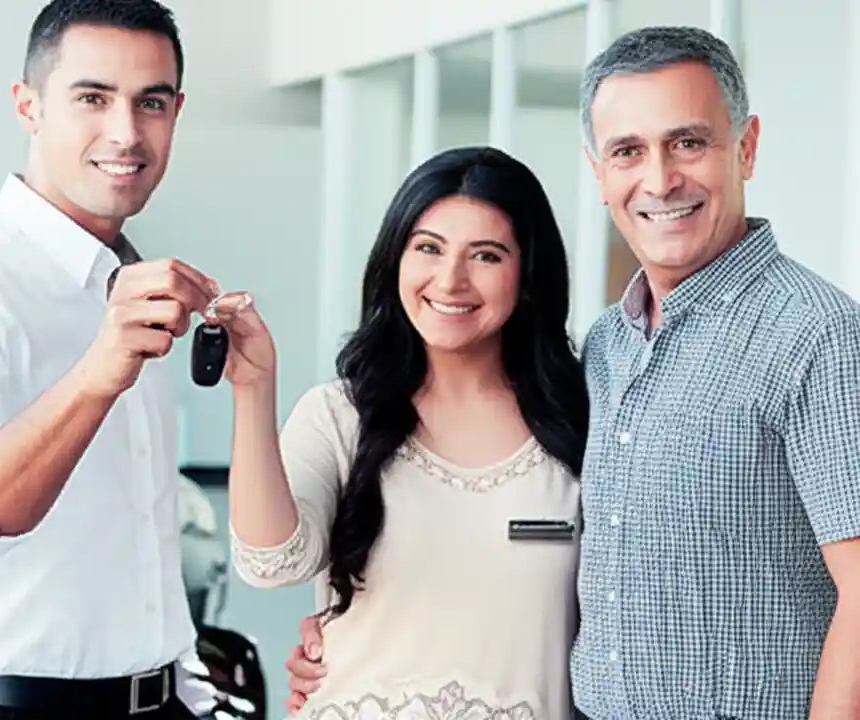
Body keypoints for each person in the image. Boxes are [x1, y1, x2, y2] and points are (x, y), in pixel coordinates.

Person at [287, 25, 860, 720]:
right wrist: (354, 639)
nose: (659, 179)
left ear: (746, 146)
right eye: (628, 151)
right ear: (599, 174)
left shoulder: (817, 333)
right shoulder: (604, 349)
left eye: (688, 142)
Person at [0, 1, 216, 718]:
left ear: (176, 112)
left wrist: (187, 688)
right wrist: (98, 372)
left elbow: (131, 541)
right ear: (28, 106)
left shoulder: (128, 279)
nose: (125, 133)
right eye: (92, 97)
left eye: (150, 102)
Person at [206, 146, 590, 719]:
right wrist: (253, 390)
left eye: (485, 255)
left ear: (528, 276)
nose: (451, 279)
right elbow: (272, 564)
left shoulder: (583, 426)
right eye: (428, 248)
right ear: (396, 263)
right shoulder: (338, 416)